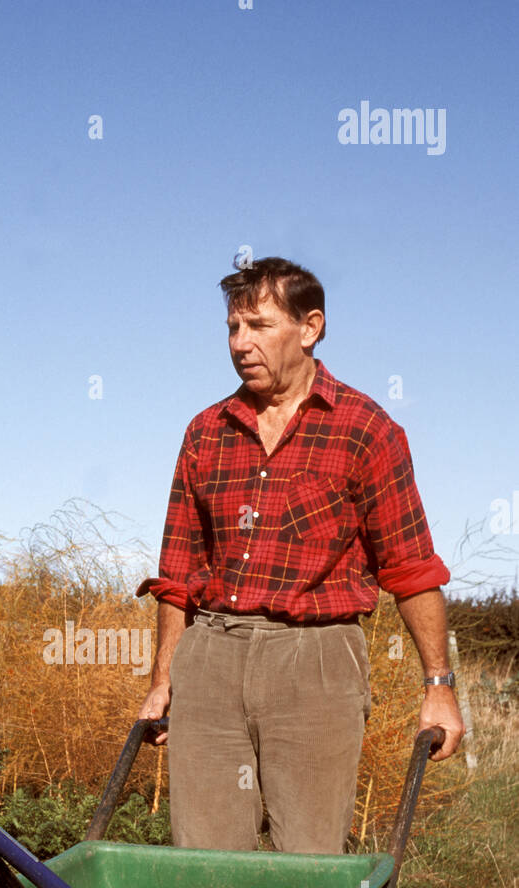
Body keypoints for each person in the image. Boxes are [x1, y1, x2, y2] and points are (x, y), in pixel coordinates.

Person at [136, 256, 465, 855]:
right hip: (210, 655)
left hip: (315, 659)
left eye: (259, 326)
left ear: (310, 327)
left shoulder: (366, 429)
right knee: (205, 863)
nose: (241, 344)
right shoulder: (205, 432)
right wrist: (163, 678)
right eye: (233, 329)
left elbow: (410, 569)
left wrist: (438, 685)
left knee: (308, 860)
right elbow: (179, 575)